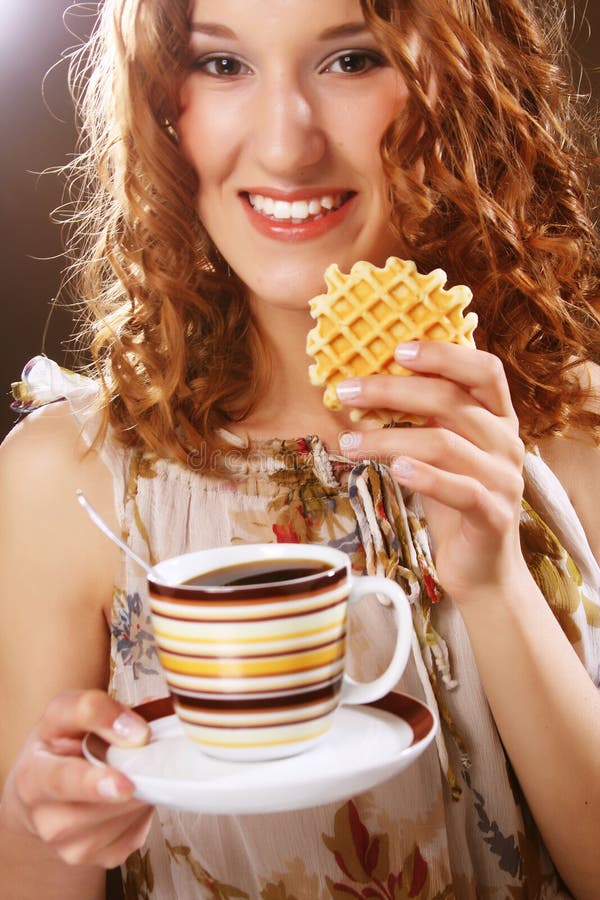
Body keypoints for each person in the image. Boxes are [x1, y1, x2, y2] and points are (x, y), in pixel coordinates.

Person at [1, 0, 599, 897]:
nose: (287, 144)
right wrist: (41, 820)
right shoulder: (66, 485)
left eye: (352, 61)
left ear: (456, 78)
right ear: (162, 105)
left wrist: (494, 580)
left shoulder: (573, 429)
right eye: (223, 65)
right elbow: (39, 870)